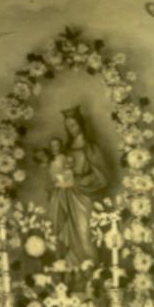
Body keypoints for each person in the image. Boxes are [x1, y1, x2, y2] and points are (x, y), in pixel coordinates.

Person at [48, 106, 108, 265]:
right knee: (67, 231)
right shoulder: (66, 149)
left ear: (80, 124)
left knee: (84, 232)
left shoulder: (90, 147)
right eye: (67, 126)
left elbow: (102, 176)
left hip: (84, 195)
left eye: (73, 125)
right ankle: (73, 268)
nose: (71, 129)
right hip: (66, 195)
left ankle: (92, 268)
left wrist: (82, 180)